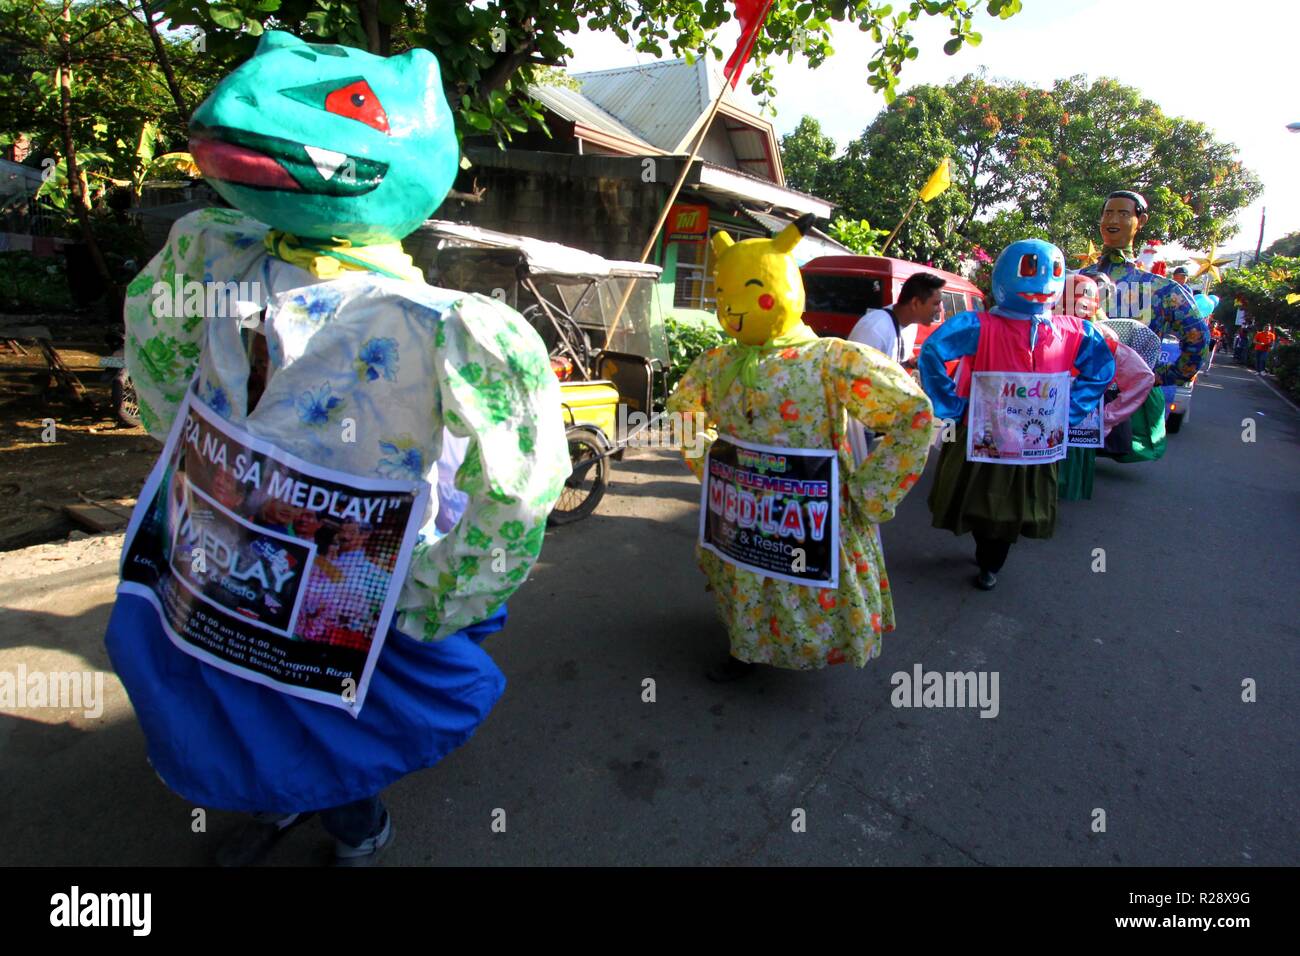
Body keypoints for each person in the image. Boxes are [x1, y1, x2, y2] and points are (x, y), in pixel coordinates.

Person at [105, 32, 569, 867]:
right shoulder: (214, 251)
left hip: (342, 580)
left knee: (319, 700)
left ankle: (351, 823)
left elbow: (516, 484)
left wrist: (439, 592)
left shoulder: (449, 329)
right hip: (225, 550)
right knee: (243, 685)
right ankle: (292, 801)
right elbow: (162, 357)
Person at [666, 216, 934, 681]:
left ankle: (789, 648)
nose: (734, 308)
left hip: (812, 511)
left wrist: (868, 490)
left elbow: (913, 414)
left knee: (801, 579)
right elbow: (682, 411)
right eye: (725, 296)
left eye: (750, 291)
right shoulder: (716, 363)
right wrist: (710, 464)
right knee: (746, 575)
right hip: (743, 509)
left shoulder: (833, 360)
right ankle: (745, 650)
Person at [920, 240, 1114, 590]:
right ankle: (987, 553)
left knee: (1010, 513)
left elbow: (1100, 370)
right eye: (1028, 270)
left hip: (1034, 445)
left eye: (1051, 273)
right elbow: (933, 353)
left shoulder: (1073, 331)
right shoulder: (978, 326)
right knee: (980, 505)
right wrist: (955, 405)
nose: (1040, 286)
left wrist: (1068, 412)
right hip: (982, 437)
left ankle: (991, 560)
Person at [1081, 190, 1207, 387]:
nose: (1113, 220)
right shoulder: (1076, 279)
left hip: (1134, 401)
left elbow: (1198, 338)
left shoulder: (1162, 289)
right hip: (1075, 397)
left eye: (1123, 214)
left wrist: (1160, 376)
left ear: (1141, 221)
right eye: (1108, 213)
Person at [846, 271, 944, 464]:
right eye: (935, 303)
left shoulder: (910, 325)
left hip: (879, 418)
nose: (940, 310)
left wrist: (911, 362)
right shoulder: (875, 328)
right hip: (857, 422)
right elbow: (853, 377)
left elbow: (893, 360)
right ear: (915, 303)